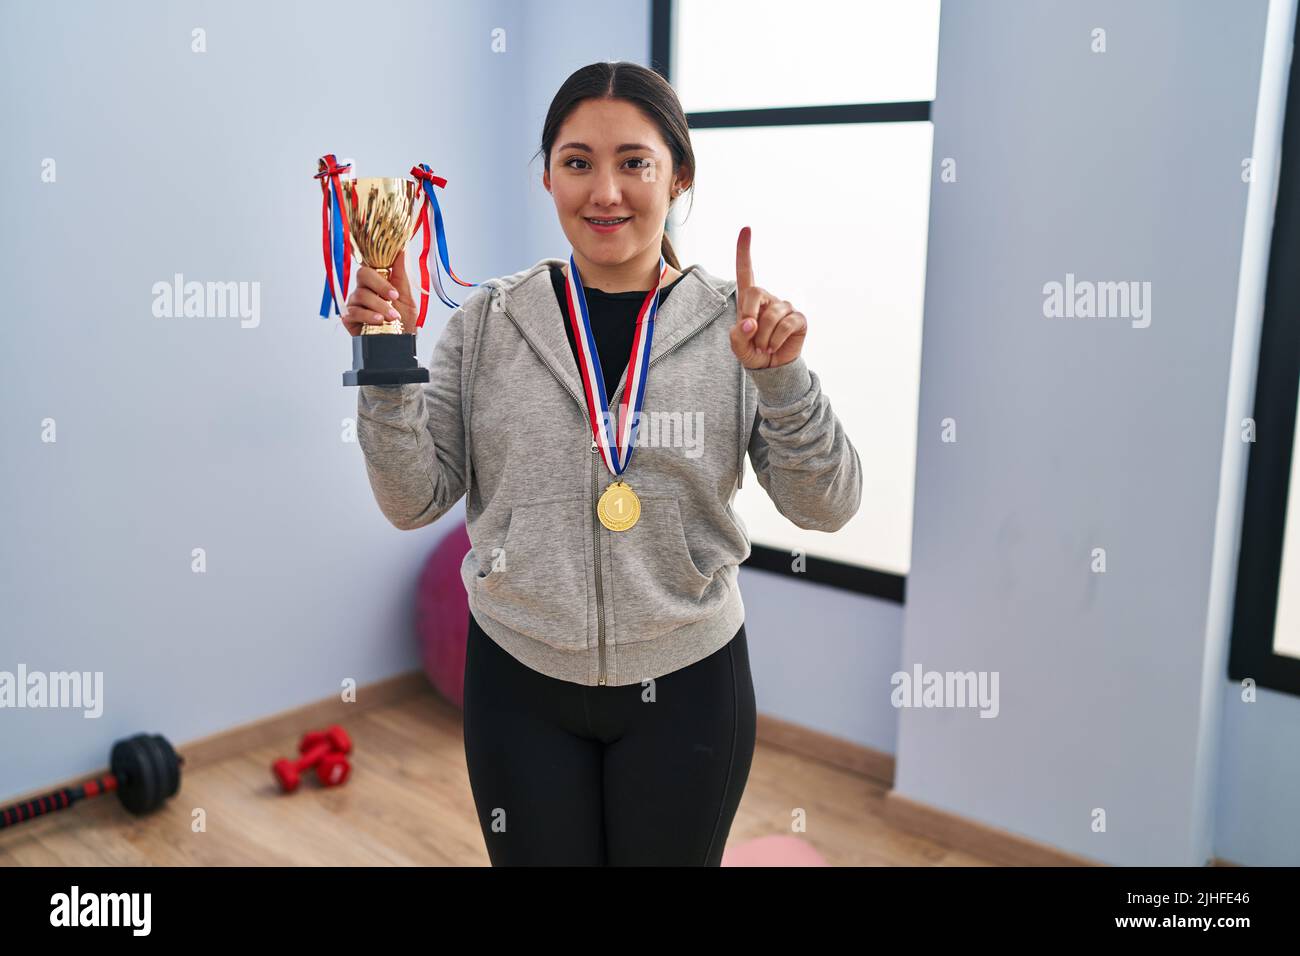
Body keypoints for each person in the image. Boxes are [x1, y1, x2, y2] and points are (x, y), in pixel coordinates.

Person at [346, 61, 862, 866]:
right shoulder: (486, 323)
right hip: (519, 683)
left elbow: (826, 506)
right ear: (546, 175)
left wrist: (783, 378)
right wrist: (385, 360)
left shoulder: (742, 327)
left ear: (678, 175)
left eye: (635, 162)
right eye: (578, 162)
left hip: (689, 685)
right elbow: (413, 502)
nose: (605, 192)